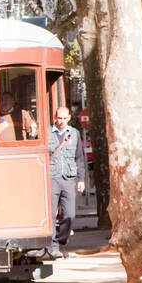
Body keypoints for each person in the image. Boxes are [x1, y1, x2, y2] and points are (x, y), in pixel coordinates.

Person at [48, 107, 88, 259]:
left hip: (68, 178)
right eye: (59, 118)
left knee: (69, 214)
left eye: (65, 118)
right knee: (51, 213)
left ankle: (61, 240)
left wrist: (81, 179)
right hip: (52, 177)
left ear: (69, 118)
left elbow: (79, 158)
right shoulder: (46, 133)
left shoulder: (74, 134)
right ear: (54, 117)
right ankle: (53, 246)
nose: (62, 121)